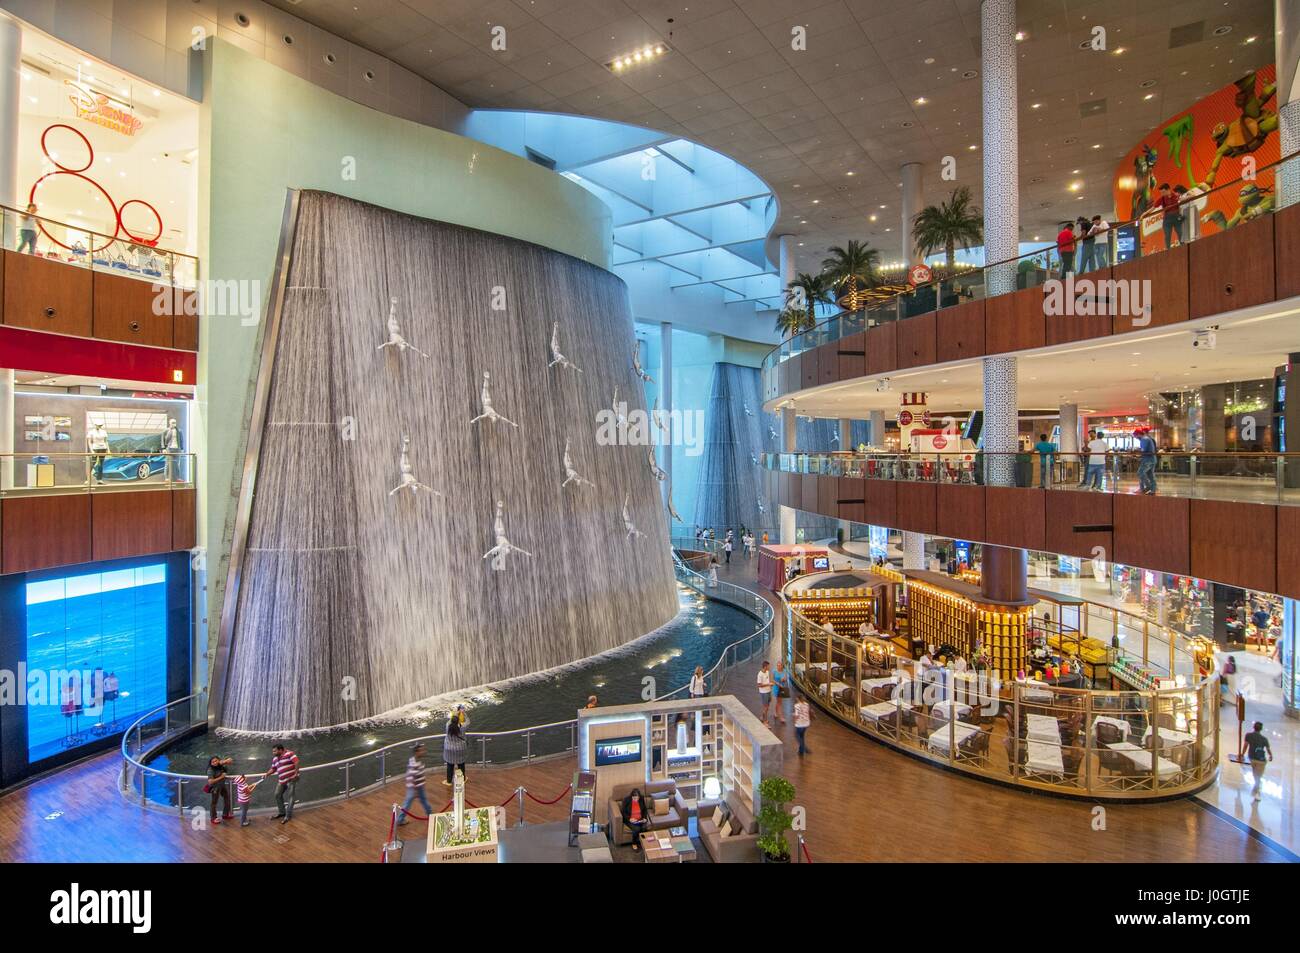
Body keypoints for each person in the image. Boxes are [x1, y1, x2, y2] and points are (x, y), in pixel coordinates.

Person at [397, 742, 432, 825]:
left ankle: (400, 819)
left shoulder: (413, 760)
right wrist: (415, 790)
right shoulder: (415, 764)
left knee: (409, 802)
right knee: (413, 801)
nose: (423, 752)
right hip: (416, 787)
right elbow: (413, 777)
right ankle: (430, 815)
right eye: (421, 750)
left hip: (415, 786)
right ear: (417, 752)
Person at [264, 743, 299, 824]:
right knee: (277, 794)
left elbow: (296, 762)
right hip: (281, 780)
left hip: (291, 779)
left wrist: (296, 774)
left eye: (275, 751)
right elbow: (273, 769)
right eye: (273, 751)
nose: (273, 753)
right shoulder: (275, 759)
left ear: (280, 750)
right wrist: (267, 774)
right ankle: (282, 812)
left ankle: (288, 815)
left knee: (291, 797)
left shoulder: (289, 753)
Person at [1240, 721, 1272, 801]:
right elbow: (1268, 750)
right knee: (1258, 777)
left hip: (1252, 758)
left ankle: (1256, 791)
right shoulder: (1264, 739)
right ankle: (1256, 793)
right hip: (1261, 760)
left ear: (1253, 727)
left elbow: (1245, 746)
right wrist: (1271, 755)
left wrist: (1242, 754)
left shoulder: (1248, 735)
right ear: (1261, 729)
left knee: (1255, 775)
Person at [1151, 183, 1182, 250]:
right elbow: (1152, 208)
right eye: (1161, 192)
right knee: (1167, 235)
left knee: (1180, 232)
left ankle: (1183, 247)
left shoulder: (1176, 196)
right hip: (1167, 219)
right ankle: (1168, 250)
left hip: (1176, 217)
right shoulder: (1161, 199)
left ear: (1168, 190)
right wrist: (1143, 215)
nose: (1162, 194)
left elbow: (1184, 199)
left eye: (1163, 192)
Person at [206, 756, 235, 825]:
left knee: (227, 798)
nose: (215, 763)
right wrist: (221, 777)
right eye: (213, 762)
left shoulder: (220, 765)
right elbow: (210, 782)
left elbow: (230, 760)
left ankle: (225, 814)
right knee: (214, 803)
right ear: (210, 763)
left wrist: (226, 761)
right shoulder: (210, 770)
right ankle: (213, 818)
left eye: (216, 761)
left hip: (222, 786)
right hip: (215, 788)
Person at [443, 714, 468, 785]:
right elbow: (468, 722)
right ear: (458, 721)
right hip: (460, 749)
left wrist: (454, 714)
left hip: (449, 749)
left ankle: (449, 781)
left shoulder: (447, 726)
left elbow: (449, 722)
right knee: (461, 765)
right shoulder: (462, 728)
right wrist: (464, 714)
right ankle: (462, 779)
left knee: (450, 765)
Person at [1137, 427, 1158, 494]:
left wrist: (1137, 452)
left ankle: (1148, 486)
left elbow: (1144, 450)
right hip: (1153, 459)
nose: (1136, 437)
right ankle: (1153, 490)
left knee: (1140, 473)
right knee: (1150, 475)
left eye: (1135, 436)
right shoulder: (1149, 439)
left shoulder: (1144, 439)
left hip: (1147, 460)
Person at [770, 659, 790, 726]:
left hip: (783, 688)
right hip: (776, 688)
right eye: (778, 665)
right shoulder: (774, 671)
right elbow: (772, 679)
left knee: (779, 702)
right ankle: (781, 717)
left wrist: (784, 679)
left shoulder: (784, 671)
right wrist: (777, 683)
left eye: (780, 665)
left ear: (782, 666)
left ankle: (775, 712)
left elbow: (785, 678)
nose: (779, 666)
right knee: (780, 703)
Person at [757, 660, 773, 725]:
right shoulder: (760, 674)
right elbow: (759, 685)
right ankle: (765, 721)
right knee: (766, 707)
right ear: (765, 666)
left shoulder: (767, 672)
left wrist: (770, 686)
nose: (769, 667)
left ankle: (762, 717)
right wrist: (768, 684)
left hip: (768, 691)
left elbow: (768, 681)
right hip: (764, 693)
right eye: (768, 666)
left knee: (767, 707)